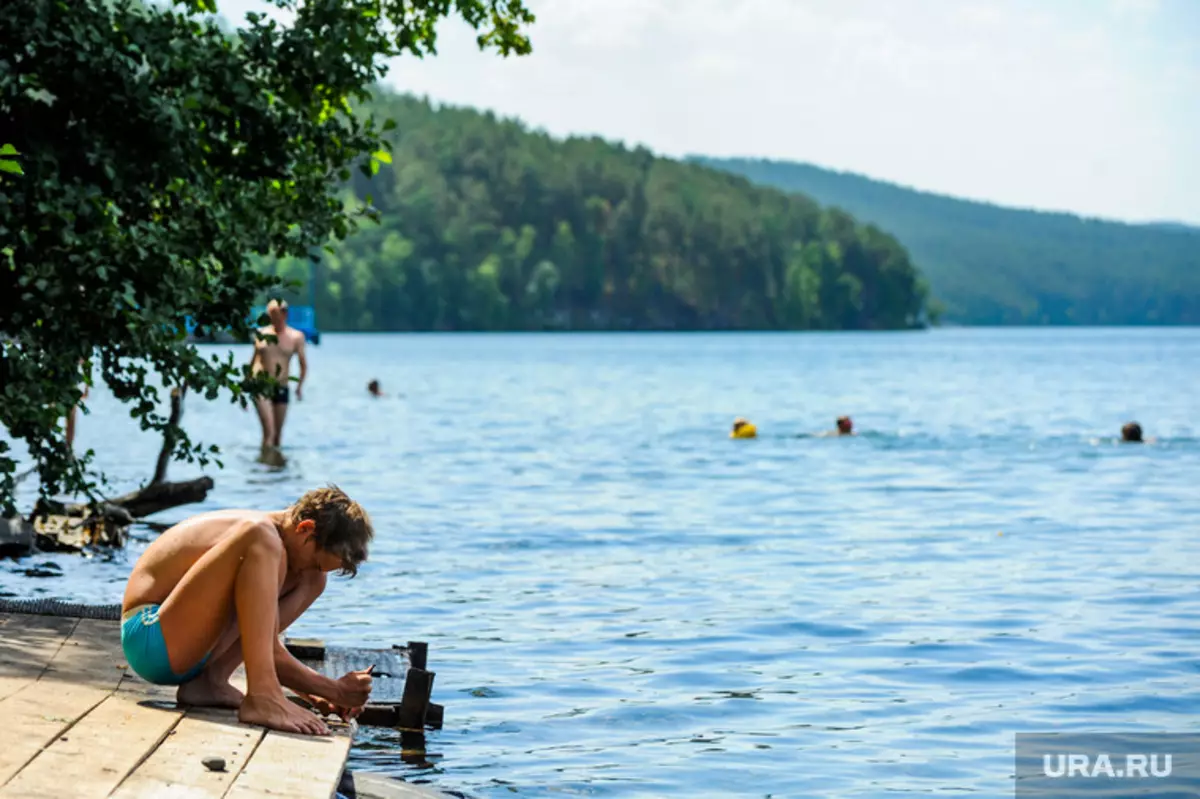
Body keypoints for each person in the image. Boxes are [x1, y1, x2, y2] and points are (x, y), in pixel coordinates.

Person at [120, 485, 375, 735]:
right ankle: (263, 696)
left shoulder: (296, 562)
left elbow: (262, 639)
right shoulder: (261, 536)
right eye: (315, 563)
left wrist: (319, 695)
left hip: (191, 650)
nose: (308, 570)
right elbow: (265, 645)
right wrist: (333, 689)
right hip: (149, 636)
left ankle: (210, 682)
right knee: (259, 536)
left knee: (314, 581)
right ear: (305, 528)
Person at [249, 299, 307, 451]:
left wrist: (299, 387)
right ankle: (264, 470)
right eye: (270, 315)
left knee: (277, 436)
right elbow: (253, 360)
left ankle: (276, 468)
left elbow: (303, 364)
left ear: (285, 314)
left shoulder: (296, 337)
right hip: (261, 386)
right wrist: (246, 383)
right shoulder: (261, 334)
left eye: (276, 314)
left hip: (281, 385)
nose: (273, 318)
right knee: (269, 431)